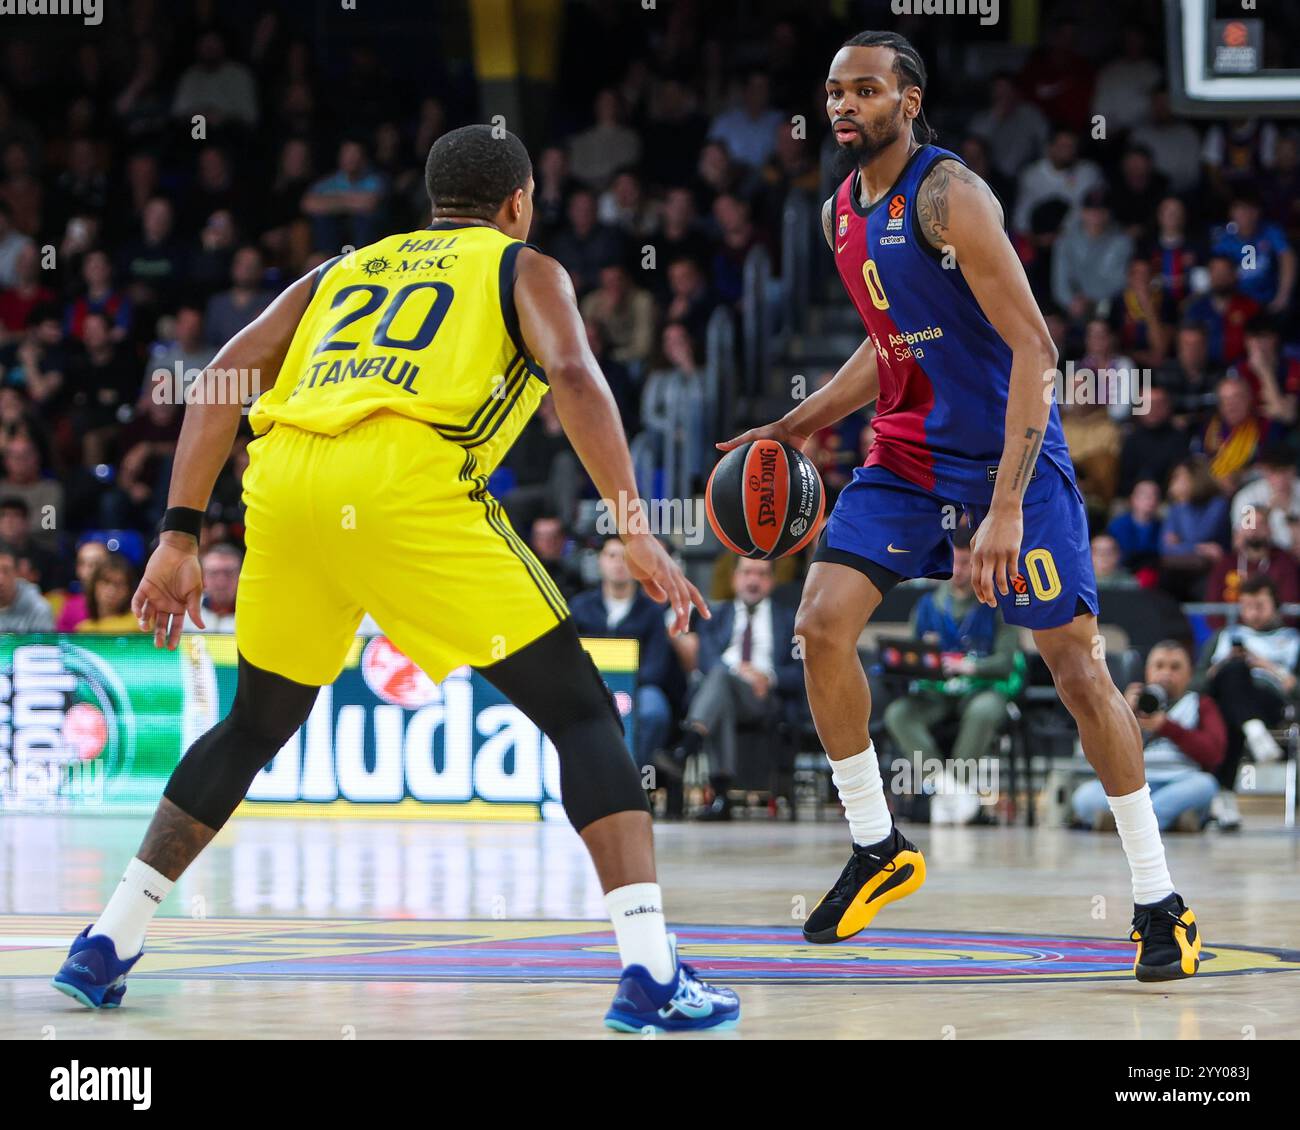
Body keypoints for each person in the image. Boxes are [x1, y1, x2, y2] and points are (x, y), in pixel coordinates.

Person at [52, 125, 737, 1033]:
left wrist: (179, 535)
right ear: (518, 203)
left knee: (253, 723)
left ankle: (106, 942)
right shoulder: (524, 267)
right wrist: (635, 524)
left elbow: (219, 377)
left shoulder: (342, 270)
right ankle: (651, 973)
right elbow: (573, 371)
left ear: (431, 204)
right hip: (404, 483)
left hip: (286, 486)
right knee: (580, 712)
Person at [722, 31, 1201, 981]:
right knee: (819, 626)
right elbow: (885, 345)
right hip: (902, 464)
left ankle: (1159, 900)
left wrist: (1008, 508)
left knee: (1074, 669)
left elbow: (1035, 350)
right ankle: (878, 844)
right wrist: (795, 425)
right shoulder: (837, 217)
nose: (845, 105)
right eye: (834, 91)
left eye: (866, 89)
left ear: (909, 101)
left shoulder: (952, 196)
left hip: (1003, 465)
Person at [657, 556, 802, 822]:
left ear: (771, 581)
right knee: (721, 683)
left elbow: (802, 673)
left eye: (761, 574)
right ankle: (721, 799)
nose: (753, 580)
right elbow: (706, 660)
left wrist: (768, 677)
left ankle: (688, 746)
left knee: (718, 682)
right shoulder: (716, 616)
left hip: (764, 698)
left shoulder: (789, 620)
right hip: (724, 690)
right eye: (747, 573)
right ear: (735, 578)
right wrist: (738, 673)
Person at [882, 529, 1023, 772]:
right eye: (954, 562)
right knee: (898, 713)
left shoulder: (998, 605)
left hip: (981, 690)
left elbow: (1005, 664)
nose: (958, 570)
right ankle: (938, 783)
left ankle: (959, 784)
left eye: (966, 563)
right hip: (936, 691)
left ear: (979, 563)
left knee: (983, 711)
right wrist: (922, 658)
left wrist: (969, 666)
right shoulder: (927, 606)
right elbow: (914, 660)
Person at [1072, 642, 1224, 833]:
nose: (1166, 673)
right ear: (1147, 670)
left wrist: (1167, 727)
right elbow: (1100, 754)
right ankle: (1168, 821)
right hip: (1130, 783)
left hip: (1179, 781)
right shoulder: (1127, 703)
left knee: (1205, 786)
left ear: (1189, 674)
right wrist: (1121, 713)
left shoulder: (1200, 703)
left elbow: (1214, 754)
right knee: (1085, 797)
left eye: (1175, 667)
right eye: (1159, 666)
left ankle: (1127, 825)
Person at [568, 538, 684, 771]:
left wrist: (624, 687)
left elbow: (656, 667)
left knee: (654, 709)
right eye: (612, 556)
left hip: (637, 688)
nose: (619, 564)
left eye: (626, 558)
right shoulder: (579, 607)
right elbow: (567, 656)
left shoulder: (652, 611)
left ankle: (633, 776)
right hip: (589, 686)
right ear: (600, 561)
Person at [1198, 576, 1300, 831]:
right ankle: (1252, 729)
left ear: (1276, 606)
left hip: (1272, 702)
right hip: (1226, 702)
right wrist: (1223, 665)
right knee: (1233, 672)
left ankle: (1224, 796)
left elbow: (1294, 686)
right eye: (1247, 606)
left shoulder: (1292, 639)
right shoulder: (1224, 637)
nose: (1252, 613)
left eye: (1260, 605)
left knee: (1232, 713)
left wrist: (1265, 665)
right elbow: (1197, 682)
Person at [75, 553, 139, 633]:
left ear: (128, 590)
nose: (112, 590)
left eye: (119, 584)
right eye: (106, 582)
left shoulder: (139, 625)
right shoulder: (84, 629)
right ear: (94, 584)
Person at [0, 542, 54, 631]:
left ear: (16, 573)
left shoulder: (38, 609)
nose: (0, 580)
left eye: (6, 571)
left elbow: (42, 644)